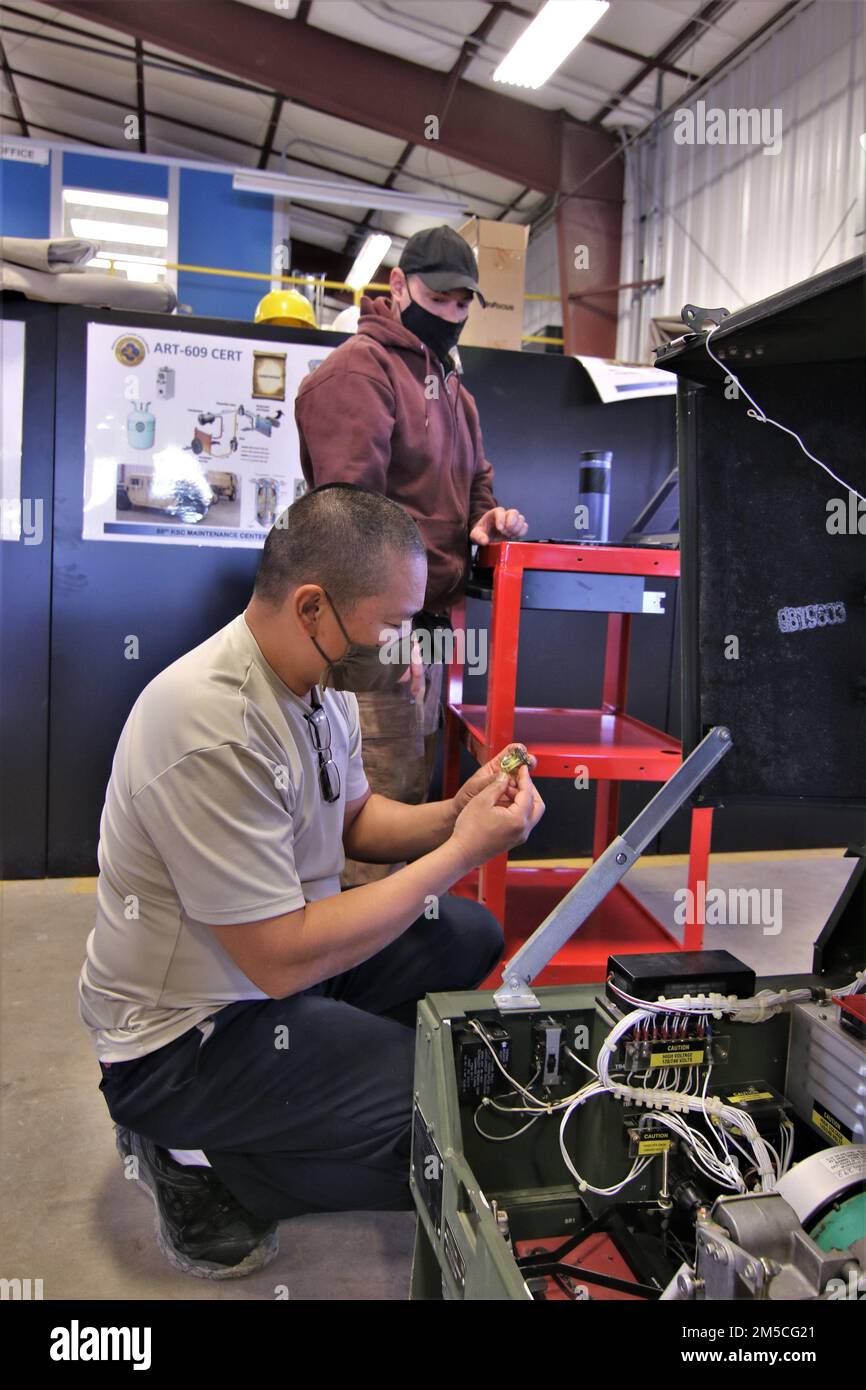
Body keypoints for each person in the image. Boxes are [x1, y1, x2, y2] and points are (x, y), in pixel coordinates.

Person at [79, 484, 544, 1280]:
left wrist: (453, 814)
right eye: (392, 626)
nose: (402, 648)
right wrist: (462, 853)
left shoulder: (316, 684)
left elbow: (356, 820)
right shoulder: (210, 727)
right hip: (186, 1036)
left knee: (466, 933)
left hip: (270, 976)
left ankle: (306, 1089)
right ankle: (196, 1156)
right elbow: (280, 958)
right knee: (438, 1112)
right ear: (313, 608)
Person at [295, 225, 529, 887]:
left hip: (422, 628)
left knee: (403, 793)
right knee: (369, 811)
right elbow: (349, 518)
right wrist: (391, 628)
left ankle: (382, 959)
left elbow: (476, 483)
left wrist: (489, 514)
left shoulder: (456, 394)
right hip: (369, 631)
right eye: (440, 296)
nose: (453, 312)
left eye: (464, 302)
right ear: (398, 287)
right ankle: (349, 968)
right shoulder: (359, 371)